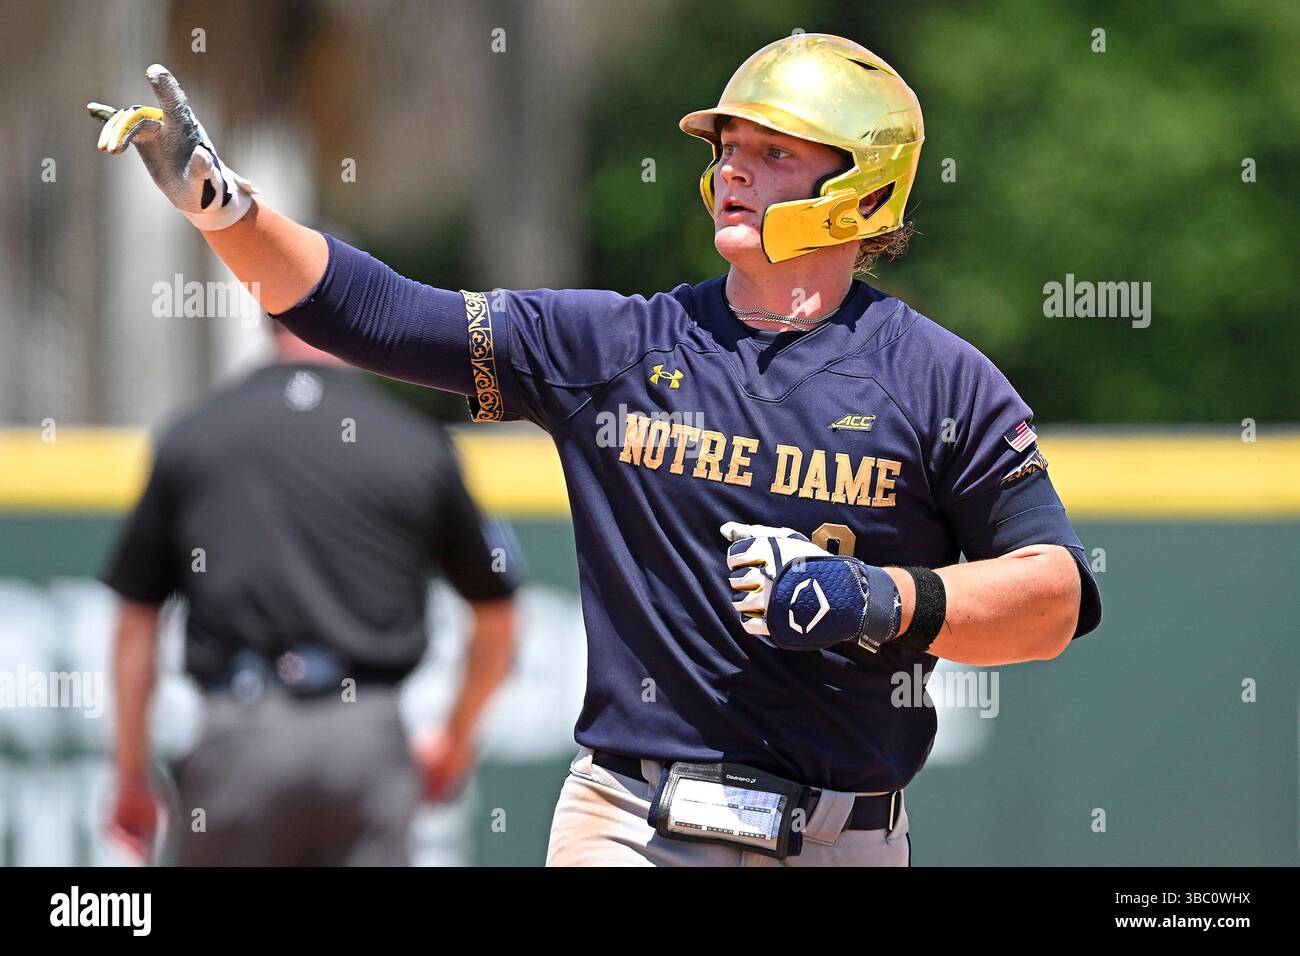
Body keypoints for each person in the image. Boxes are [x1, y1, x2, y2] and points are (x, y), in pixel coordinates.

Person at [89, 33, 1101, 867]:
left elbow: (1051, 598)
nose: (733, 167)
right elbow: (378, 312)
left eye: (776, 150)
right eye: (729, 145)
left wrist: (878, 599)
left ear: (861, 185)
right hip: (636, 822)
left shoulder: (938, 379)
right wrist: (226, 209)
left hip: (849, 835)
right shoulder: (620, 345)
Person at [102, 321, 518, 866]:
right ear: (357, 316)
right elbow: (498, 613)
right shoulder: (413, 439)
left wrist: (131, 773)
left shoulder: (197, 434)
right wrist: (455, 738)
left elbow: (136, 624)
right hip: (366, 743)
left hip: (242, 736)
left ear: (268, 318)